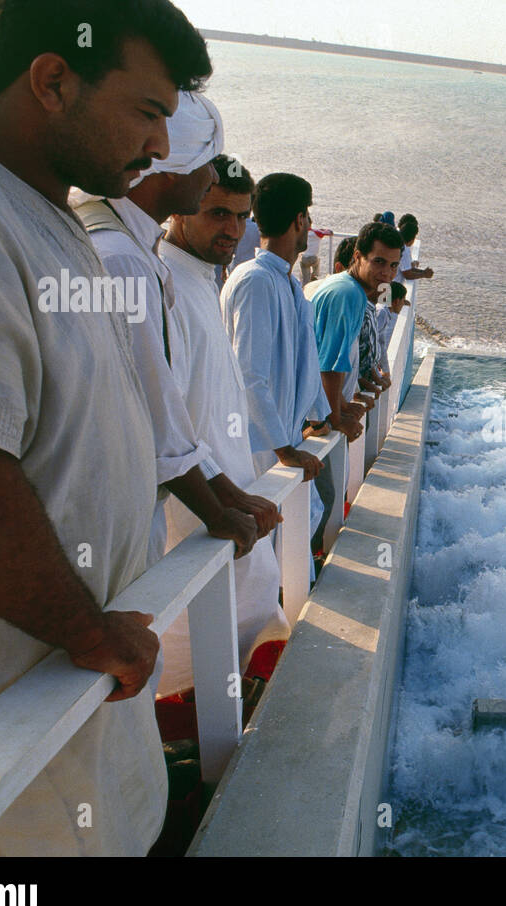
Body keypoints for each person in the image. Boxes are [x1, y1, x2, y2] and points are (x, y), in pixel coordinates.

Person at [0, 0, 211, 855]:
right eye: (148, 113)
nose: (161, 151)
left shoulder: (38, 211)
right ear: (54, 79)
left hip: (69, 737)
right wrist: (89, 629)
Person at [73, 92, 261, 569]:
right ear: (171, 168)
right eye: (207, 164)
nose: (215, 178)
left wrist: (228, 497)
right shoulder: (124, 260)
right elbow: (160, 418)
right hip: (110, 529)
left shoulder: (126, 246)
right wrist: (218, 512)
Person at [157, 154, 291, 694]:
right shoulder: (162, 282)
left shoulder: (203, 279)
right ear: (185, 210)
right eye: (217, 214)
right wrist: (223, 501)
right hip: (193, 512)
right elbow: (166, 420)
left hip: (228, 501)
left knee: (245, 639)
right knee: (191, 656)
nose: (232, 230)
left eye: (240, 216)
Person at [220, 172, 330, 544]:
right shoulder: (256, 281)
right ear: (299, 219)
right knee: (271, 547)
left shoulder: (287, 283)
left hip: (282, 438)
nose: (309, 226)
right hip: (260, 447)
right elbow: (249, 375)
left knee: (293, 536)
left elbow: (306, 360)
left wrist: (322, 418)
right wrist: (285, 449)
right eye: (308, 218)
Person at [310, 221, 403, 451]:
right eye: (379, 262)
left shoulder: (347, 288)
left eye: (394, 265)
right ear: (358, 256)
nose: (387, 274)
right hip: (316, 417)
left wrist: (342, 405)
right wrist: (338, 418)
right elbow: (329, 365)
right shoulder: (348, 294)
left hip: (321, 408)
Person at [394, 213, 433, 284]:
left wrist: (423, 271)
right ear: (412, 238)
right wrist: (424, 274)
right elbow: (407, 274)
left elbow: (408, 268)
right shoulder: (404, 249)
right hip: (393, 286)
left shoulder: (398, 243)